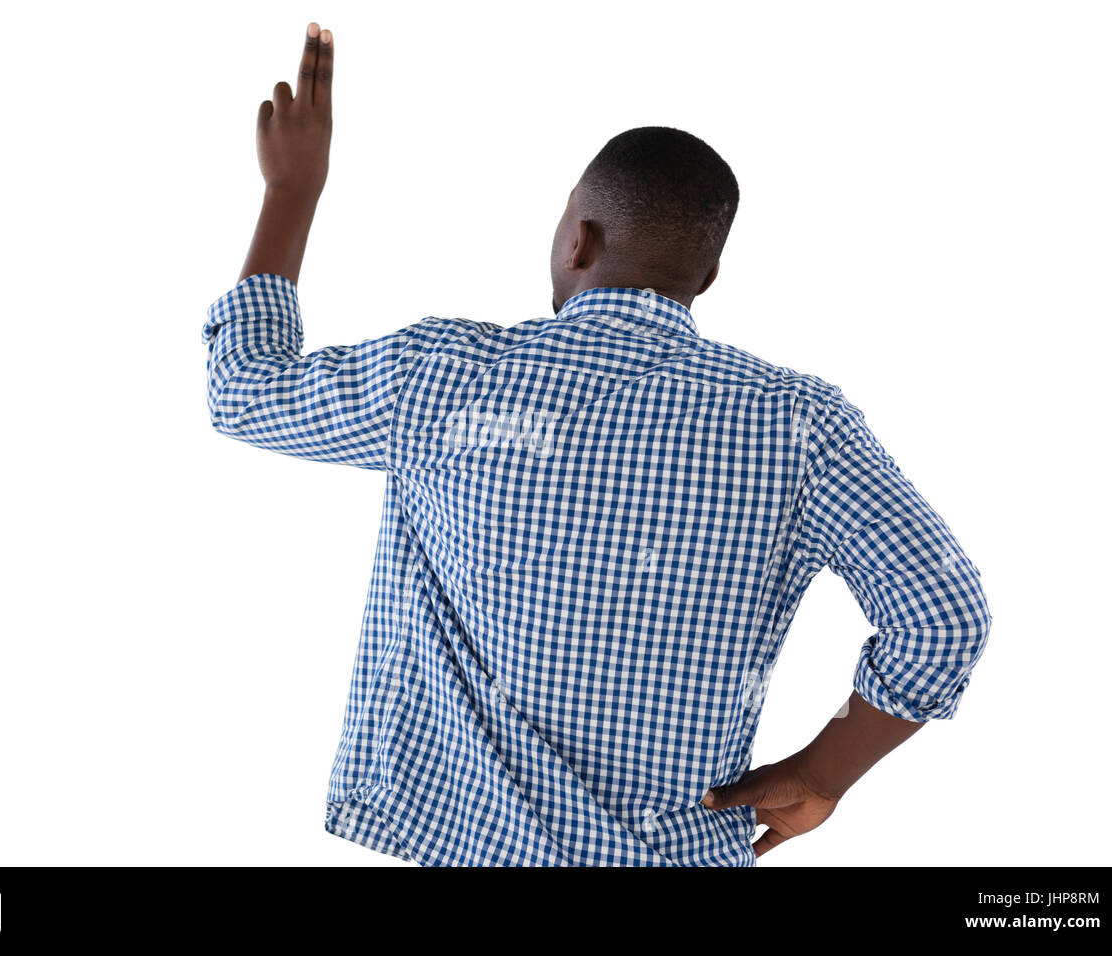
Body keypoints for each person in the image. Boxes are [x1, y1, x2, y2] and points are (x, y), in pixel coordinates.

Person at [202, 21, 992, 866]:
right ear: (707, 278)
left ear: (578, 239)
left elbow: (245, 389)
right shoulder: (802, 425)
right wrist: (825, 771)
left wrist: (292, 189)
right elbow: (943, 618)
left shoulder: (446, 377)